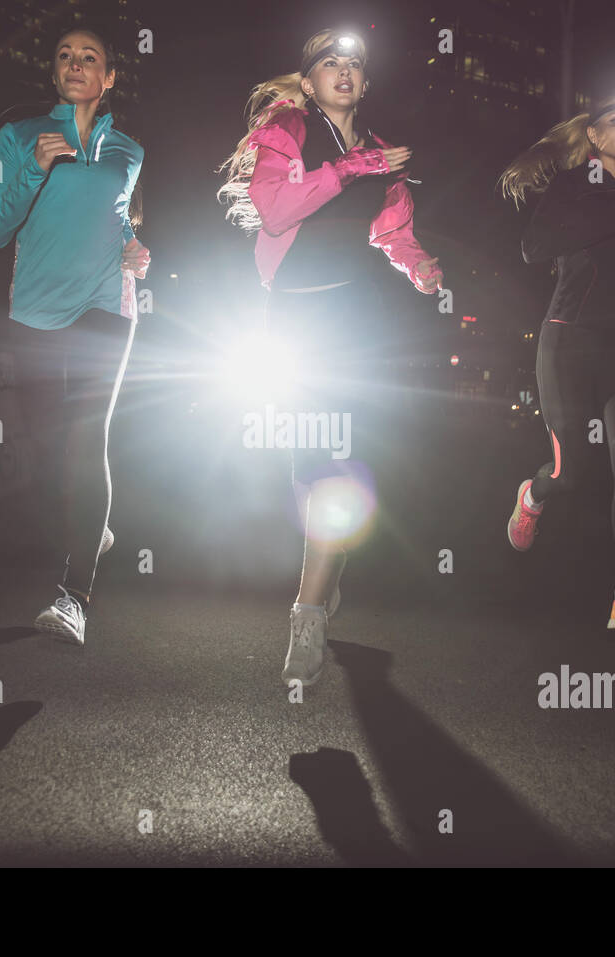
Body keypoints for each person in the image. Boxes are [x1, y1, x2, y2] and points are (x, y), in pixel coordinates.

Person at [219, 28, 443, 685]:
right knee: (310, 473)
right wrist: (348, 170)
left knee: (338, 470)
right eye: (328, 62)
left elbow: (391, 230)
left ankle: (307, 613)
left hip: (356, 327)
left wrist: (420, 264)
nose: (342, 70)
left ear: (365, 85)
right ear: (309, 80)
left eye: (353, 63)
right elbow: (275, 207)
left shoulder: (381, 154)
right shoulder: (288, 126)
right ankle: (327, 569)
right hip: (293, 319)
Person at [0, 26, 150, 645]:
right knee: (49, 445)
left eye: (91, 58)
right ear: (54, 72)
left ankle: (75, 593)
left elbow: (119, 221)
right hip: (35, 311)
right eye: (65, 56)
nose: (76, 64)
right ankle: (92, 523)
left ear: (108, 79)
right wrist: (34, 168)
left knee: (86, 438)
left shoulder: (127, 151)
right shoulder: (18, 137)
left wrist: (136, 249)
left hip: (108, 306)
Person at [499, 91, 615, 630]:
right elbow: (534, 247)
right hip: (569, 335)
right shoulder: (573, 183)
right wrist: (607, 220)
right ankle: (535, 493)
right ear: (594, 135)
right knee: (571, 470)